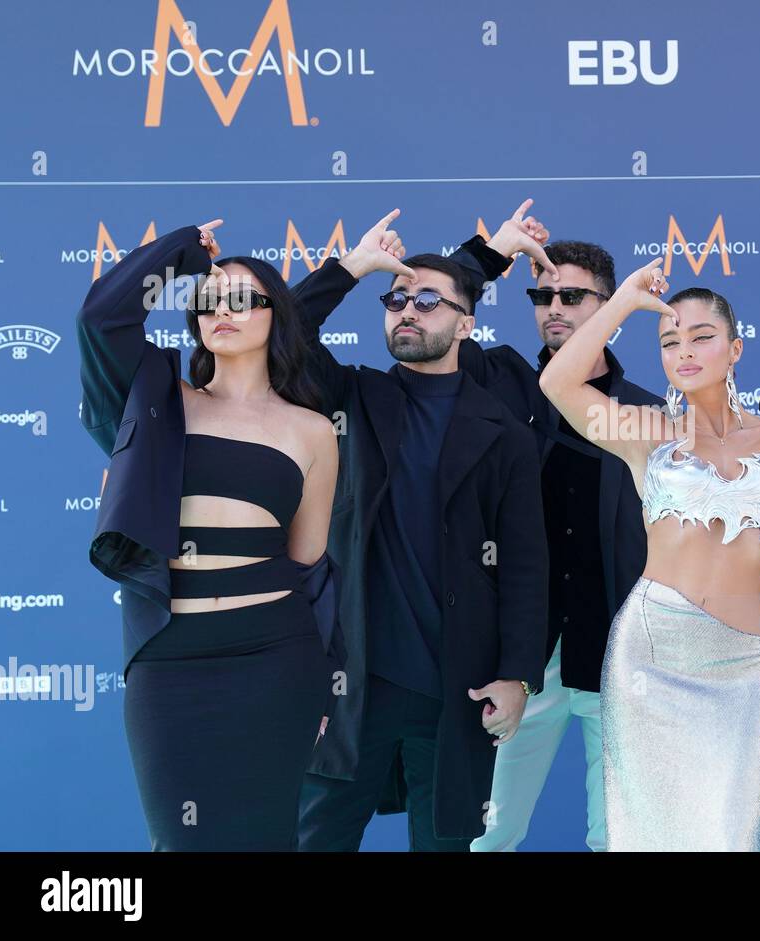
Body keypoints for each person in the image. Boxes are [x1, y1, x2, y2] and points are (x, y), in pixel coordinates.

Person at [539, 259, 760, 851]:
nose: (685, 352)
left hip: (743, 666)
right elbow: (558, 383)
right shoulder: (647, 433)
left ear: (736, 348)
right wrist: (621, 302)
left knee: (731, 837)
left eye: (702, 336)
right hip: (649, 656)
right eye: (670, 342)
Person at [290, 210, 549, 851]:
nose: (409, 310)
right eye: (397, 299)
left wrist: (518, 675)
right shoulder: (355, 397)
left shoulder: (505, 429)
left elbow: (525, 564)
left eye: (430, 301)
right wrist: (354, 265)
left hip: (457, 689)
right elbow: (283, 335)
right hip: (352, 683)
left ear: (466, 324)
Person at [77, 219, 340, 850]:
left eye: (244, 299)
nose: (223, 309)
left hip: (277, 660)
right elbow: (101, 319)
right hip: (170, 661)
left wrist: (329, 687)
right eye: (209, 299)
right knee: (181, 841)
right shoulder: (159, 401)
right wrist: (184, 254)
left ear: (278, 315)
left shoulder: (312, 430)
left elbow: (309, 566)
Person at [458, 233, 665, 852]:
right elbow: (441, 310)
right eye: (542, 295)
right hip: (518, 660)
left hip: (617, 652)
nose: (554, 307)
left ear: (609, 305)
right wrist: (489, 254)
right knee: (486, 833)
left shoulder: (648, 413)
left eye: (573, 296)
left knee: (617, 838)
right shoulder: (496, 384)